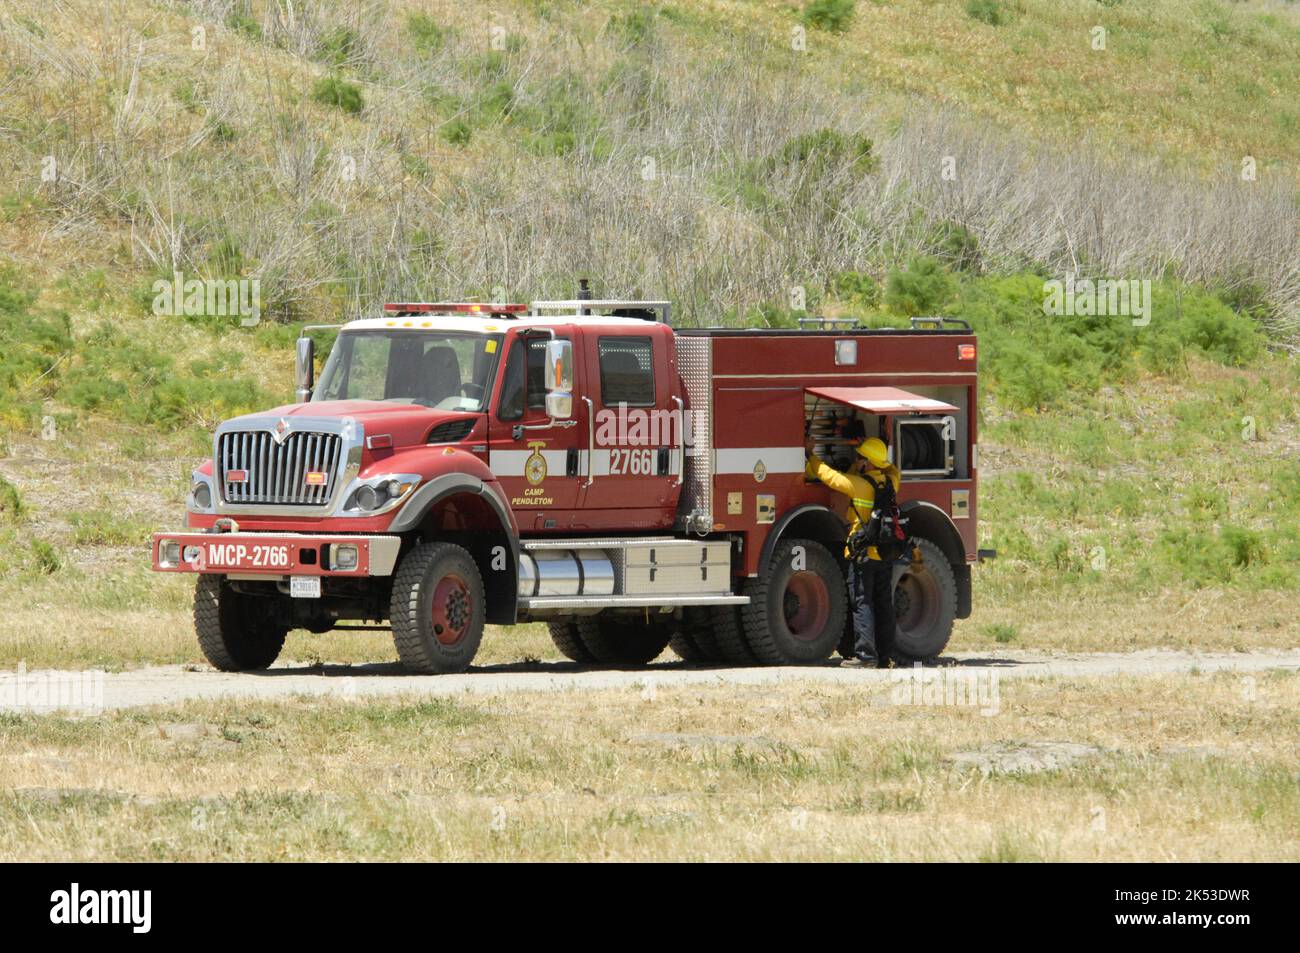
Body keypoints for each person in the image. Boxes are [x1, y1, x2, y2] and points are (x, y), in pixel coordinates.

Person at [804, 436, 902, 668]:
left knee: (862, 603)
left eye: (861, 456)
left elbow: (829, 476)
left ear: (867, 461)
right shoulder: (891, 482)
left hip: (862, 554)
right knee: (883, 603)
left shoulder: (858, 485)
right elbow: (893, 469)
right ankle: (884, 657)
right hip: (885, 554)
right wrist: (876, 459)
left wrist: (810, 454)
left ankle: (865, 656)